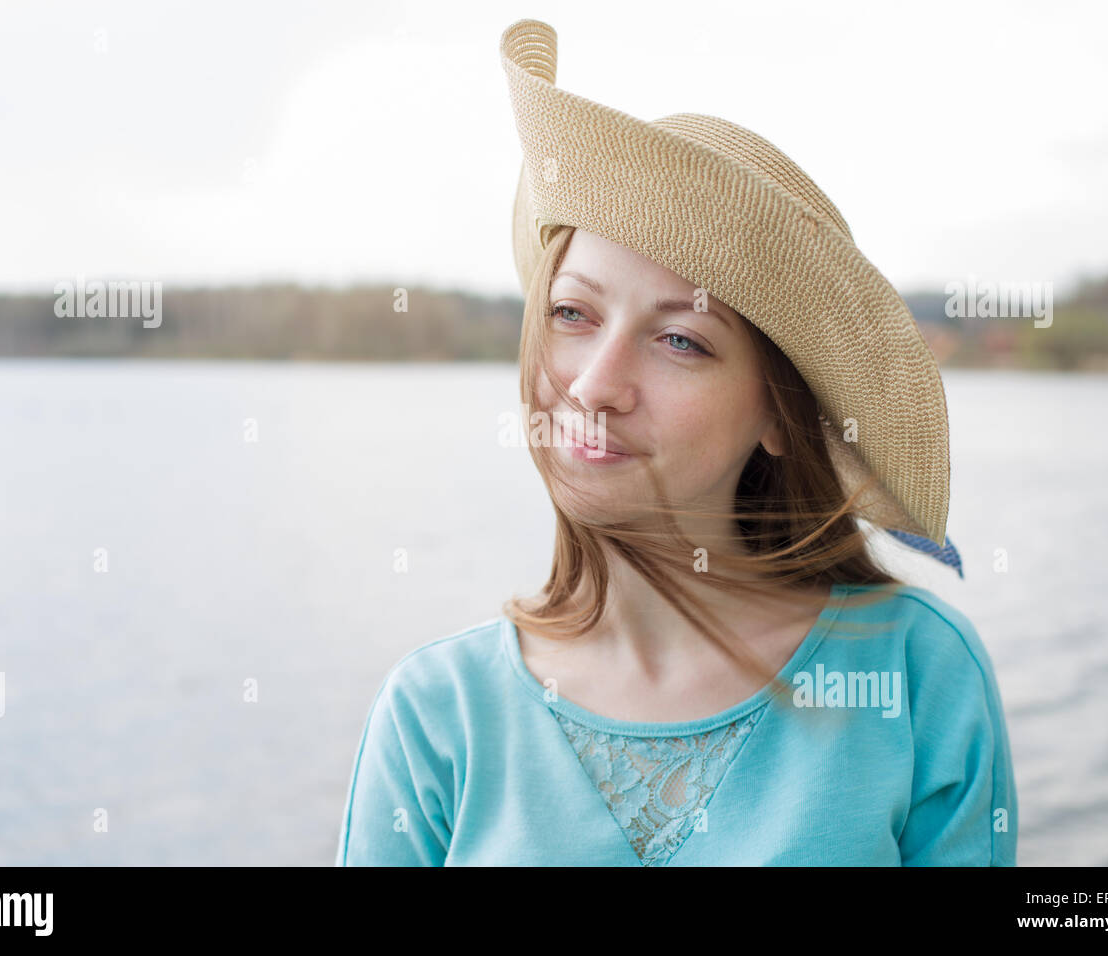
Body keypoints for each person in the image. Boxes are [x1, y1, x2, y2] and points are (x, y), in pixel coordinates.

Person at [335, 19, 1017, 866]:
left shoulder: (918, 680)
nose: (592, 384)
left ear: (777, 413)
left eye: (681, 341)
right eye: (573, 315)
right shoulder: (437, 717)